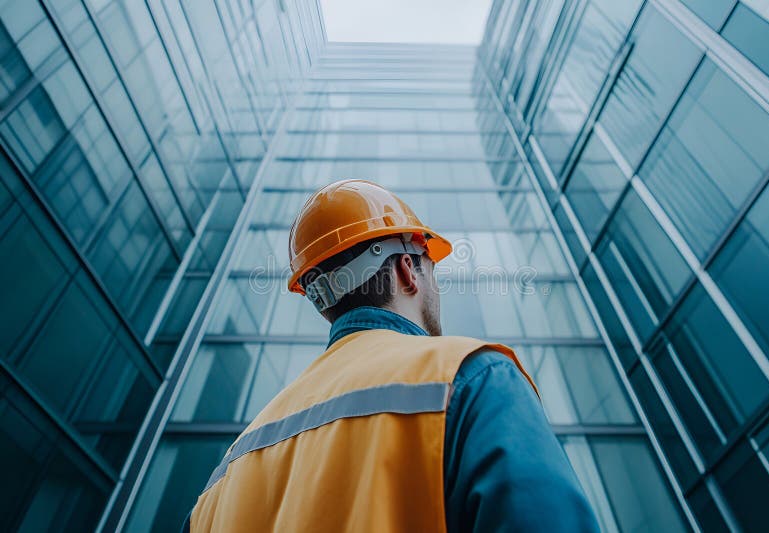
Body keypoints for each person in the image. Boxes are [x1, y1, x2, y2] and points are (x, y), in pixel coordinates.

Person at [188, 180, 599, 532]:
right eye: (430, 268)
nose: (436, 285)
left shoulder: (227, 471)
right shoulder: (469, 378)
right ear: (407, 269)